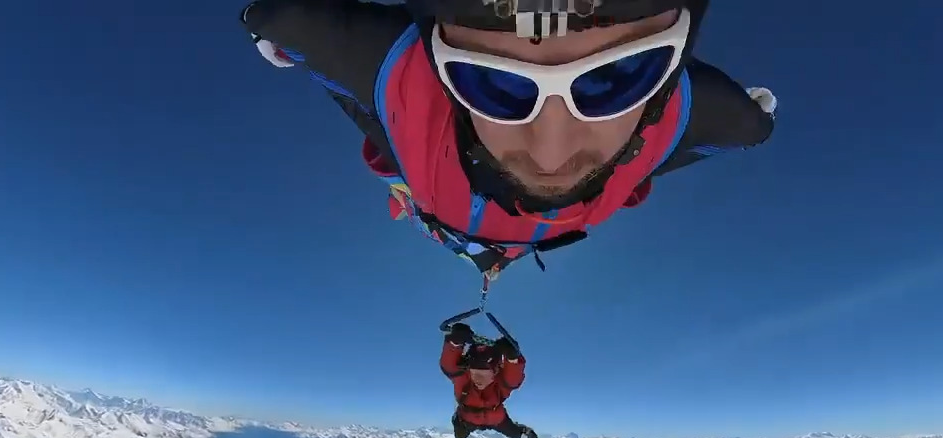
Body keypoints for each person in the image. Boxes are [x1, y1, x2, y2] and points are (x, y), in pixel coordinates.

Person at [240, 0, 776, 278]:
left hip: (425, 174)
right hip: (433, 184)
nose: (551, 150)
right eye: (491, 80)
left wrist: (277, 35)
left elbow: (289, 20)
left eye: (615, 78)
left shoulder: (404, 80)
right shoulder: (678, 116)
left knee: (385, 130)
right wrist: (745, 120)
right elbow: (739, 133)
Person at [439, 321, 538, 438]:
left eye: (483, 374)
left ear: (496, 372)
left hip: (497, 420)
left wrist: (513, 359)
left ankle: (523, 429)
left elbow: (513, 378)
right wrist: (454, 343)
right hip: (470, 419)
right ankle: (457, 419)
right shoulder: (464, 379)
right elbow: (449, 366)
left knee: (516, 435)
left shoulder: (500, 383)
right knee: (459, 437)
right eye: (473, 372)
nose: (477, 378)